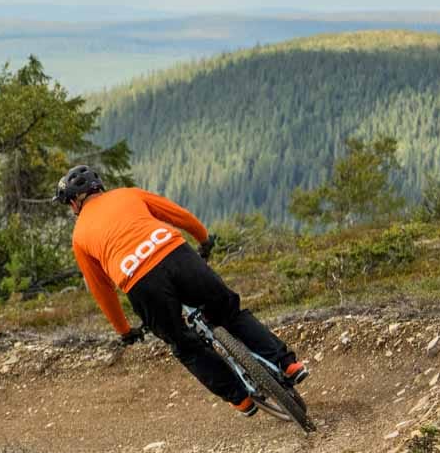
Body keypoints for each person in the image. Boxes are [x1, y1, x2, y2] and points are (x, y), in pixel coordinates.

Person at [59, 165, 308, 416]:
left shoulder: (79, 237)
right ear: (99, 187)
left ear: (74, 203)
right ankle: (287, 364)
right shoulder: (128, 194)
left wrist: (124, 330)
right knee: (229, 313)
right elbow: (179, 215)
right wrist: (203, 239)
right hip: (177, 255)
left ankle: (240, 398)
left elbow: (102, 290)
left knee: (185, 345)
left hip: (140, 282)